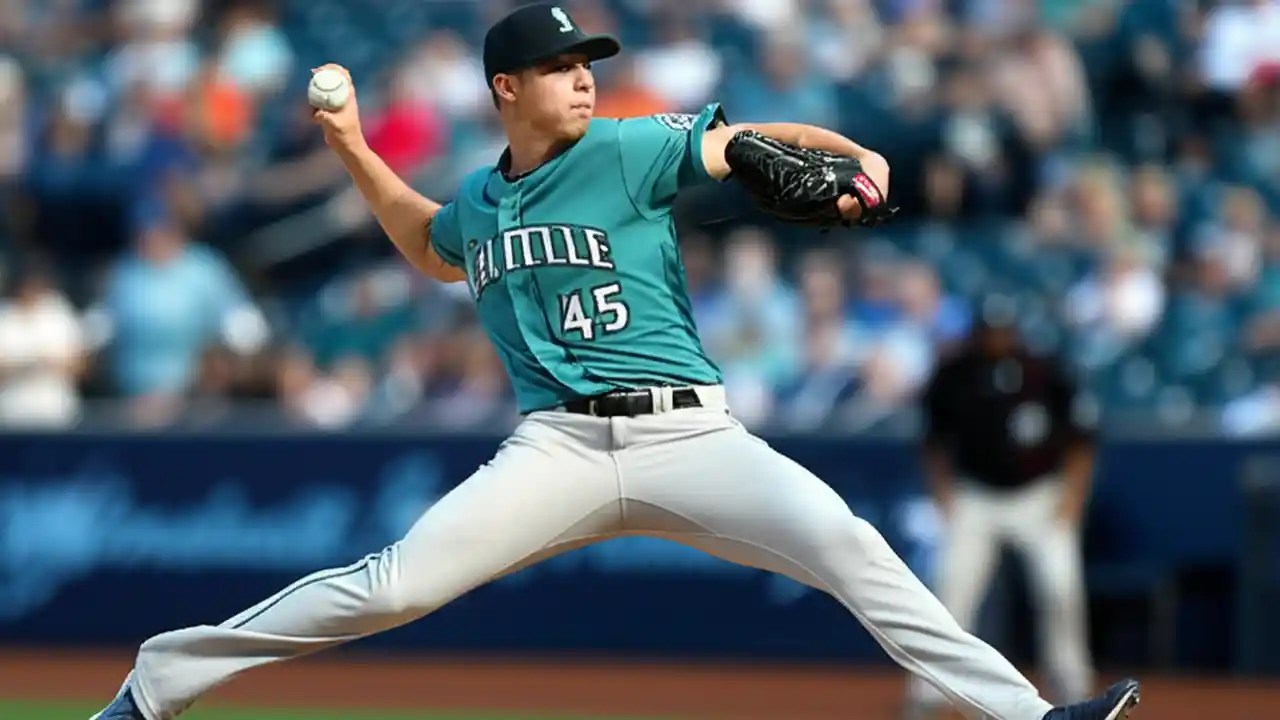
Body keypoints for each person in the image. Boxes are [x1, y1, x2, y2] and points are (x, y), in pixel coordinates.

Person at [92, 5, 1139, 719]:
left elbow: (746, 140)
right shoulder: (481, 201)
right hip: (554, 449)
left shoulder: (627, 147)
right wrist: (354, 149)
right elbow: (427, 245)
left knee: (849, 547)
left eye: (586, 62)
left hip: (692, 435)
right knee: (388, 589)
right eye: (557, 67)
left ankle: (1032, 714)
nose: (582, 78)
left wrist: (853, 155)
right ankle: (156, 684)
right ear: (507, 86)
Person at [905, 298, 1100, 718]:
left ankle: (1071, 679)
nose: (996, 339)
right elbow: (932, 440)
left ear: (1015, 332)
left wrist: (1071, 498)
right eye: (989, 331)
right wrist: (943, 493)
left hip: (1039, 496)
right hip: (976, 496)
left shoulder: (1045, 371)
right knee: (952, 589)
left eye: (1003, 330)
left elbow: (1081, 440)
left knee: (1059, 587)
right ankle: (930, 690)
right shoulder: (954, 373)